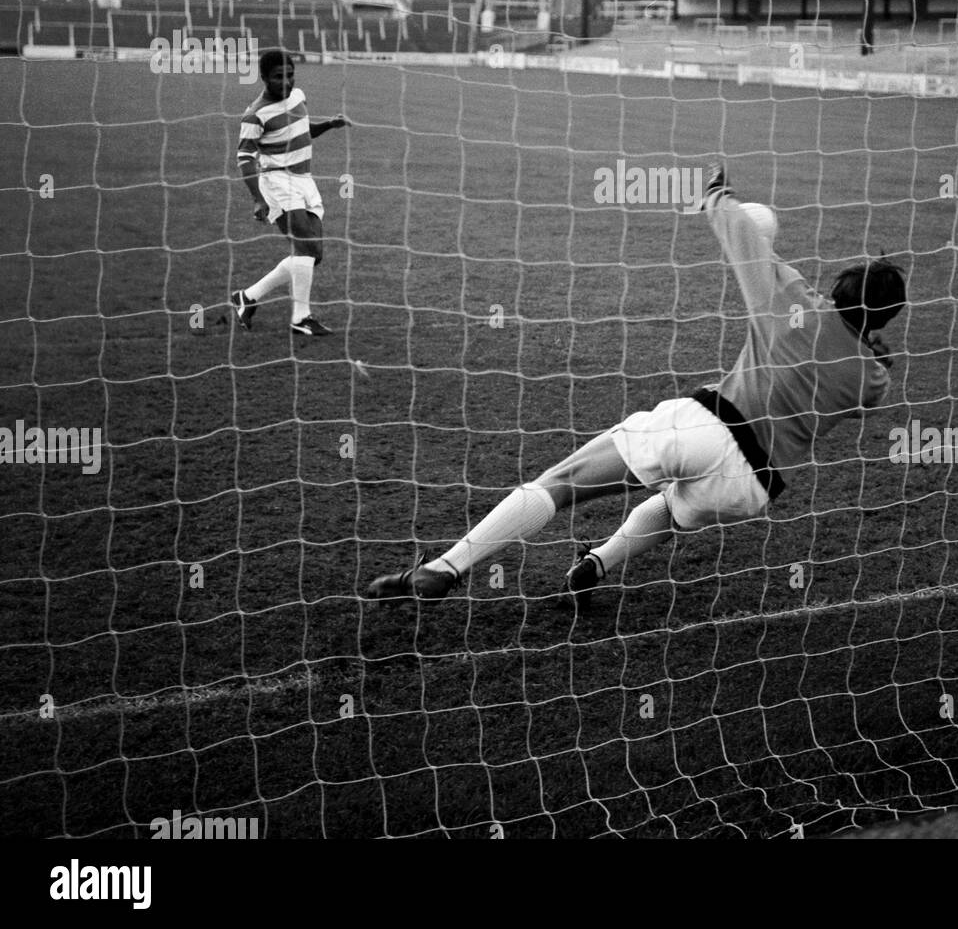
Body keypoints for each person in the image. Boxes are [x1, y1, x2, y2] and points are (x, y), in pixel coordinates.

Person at [367, 165, 906, 607]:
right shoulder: (870, 378)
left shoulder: (788, 305)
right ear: (886, 320)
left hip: (709, 429)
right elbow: (865, 387)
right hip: (752, 488)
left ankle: (444, 568)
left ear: (835, 289)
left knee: (562, 482)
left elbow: (747, 244)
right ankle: (597, 563)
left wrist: (719, 195)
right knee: (671, 510)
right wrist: (865, 347)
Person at [231, 47, 349, 337]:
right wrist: (258, 199)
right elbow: (244, 159)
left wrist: (328, 126)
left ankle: (247, 297)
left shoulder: (298, 96)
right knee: (306, 249)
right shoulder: (254, 115)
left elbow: (300, 129)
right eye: (278, 77)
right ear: (263, 78)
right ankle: (301, 317)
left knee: (313, 255)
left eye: (290, 75)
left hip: (305, 180)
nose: (286, 83)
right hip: (278, 183)